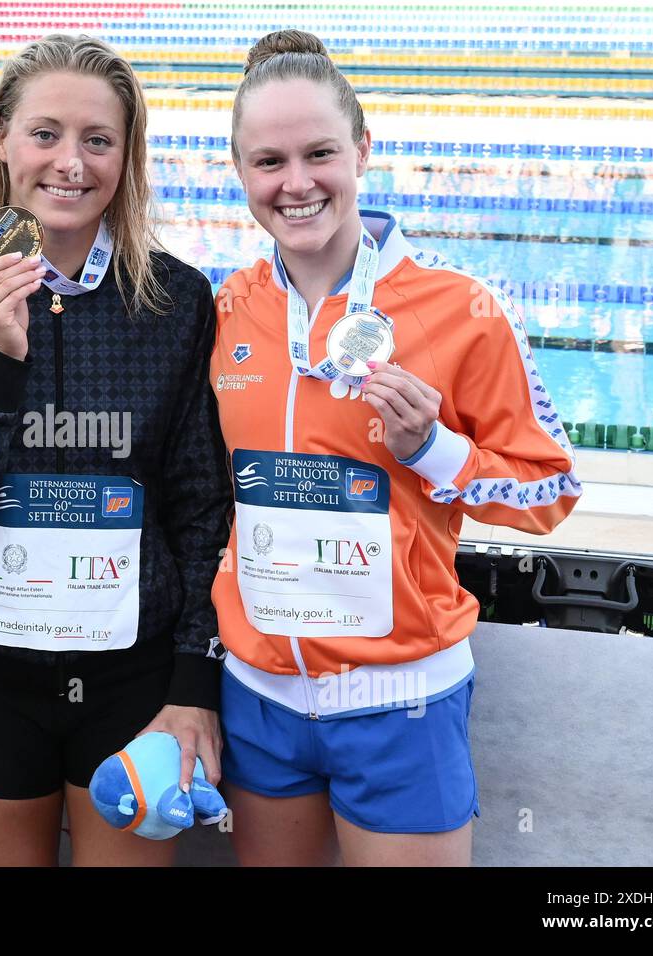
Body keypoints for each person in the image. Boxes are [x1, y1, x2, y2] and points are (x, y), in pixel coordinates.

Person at [211, 30, 583, 866]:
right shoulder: (226, 308)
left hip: (401, 700)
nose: (296, 183)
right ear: (239, 171)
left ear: (363, 151)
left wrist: (435, 452)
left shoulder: (460, 307)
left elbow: (551, 490)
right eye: (268, 161)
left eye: (320, 154)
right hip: (257, 696)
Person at [0, 34, 231, 866]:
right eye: (45, 133)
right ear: (2, 138)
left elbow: (203, 505)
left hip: (134, 680)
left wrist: (191, 683)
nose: (70, 162)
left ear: (125, 157)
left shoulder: (175, 301)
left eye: (97, 140)